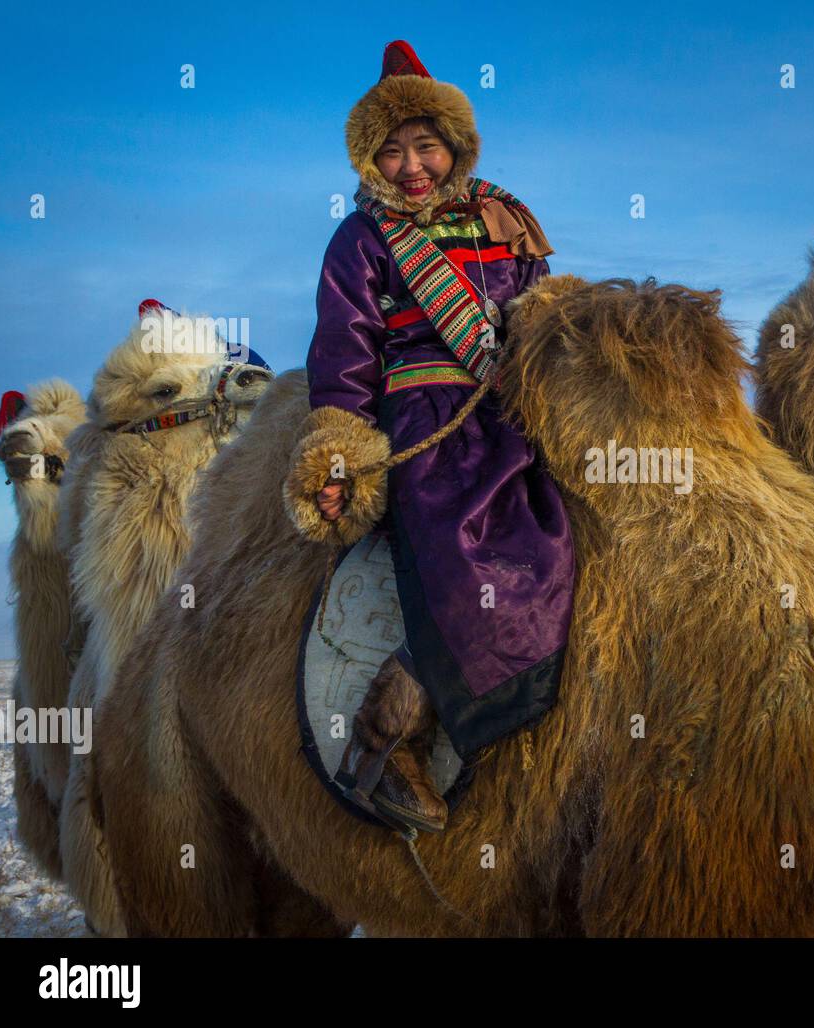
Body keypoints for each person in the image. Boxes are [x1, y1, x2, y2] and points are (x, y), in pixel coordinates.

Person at [295, 40, 574, 834]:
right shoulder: (361, 242)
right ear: (370, 160)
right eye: (390, 151)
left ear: (454, 147)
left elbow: (543, 316)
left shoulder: (504, 219)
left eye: (425, 146)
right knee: (470, 560)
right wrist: (340, 457)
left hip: (510, 414)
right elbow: (344, 356)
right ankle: (384, 741)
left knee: (564, 540)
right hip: (422, 432)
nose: (411, 166)